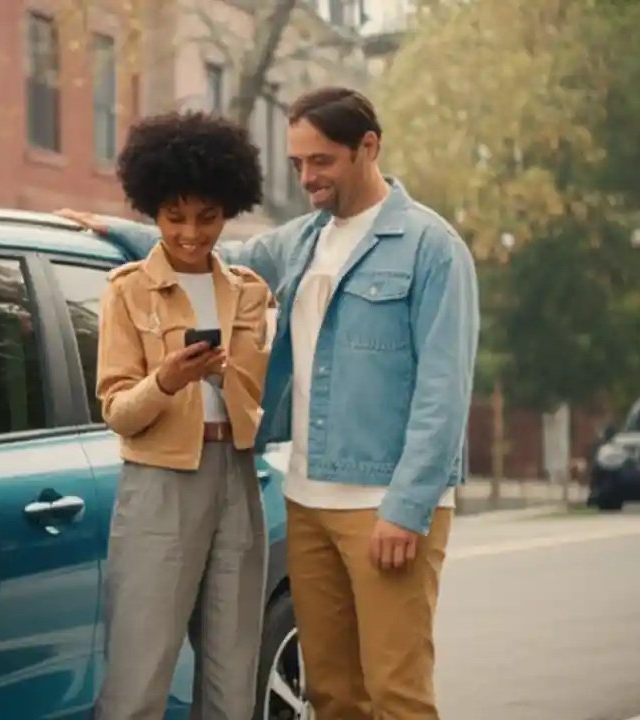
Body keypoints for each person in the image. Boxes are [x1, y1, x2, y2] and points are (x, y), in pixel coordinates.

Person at [59, 86, 480, 720]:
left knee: (397, 691)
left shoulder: (430, 247)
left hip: (382, 504)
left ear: (369, 148)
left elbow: (444, 392)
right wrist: (119, 226)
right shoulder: (305, 241)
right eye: (297, 164)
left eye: (322, 162)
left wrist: (409, 506)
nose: (307, 178)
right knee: (331, 691)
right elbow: (209, 254)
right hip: (307, 498)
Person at [91, 110, 273, 719]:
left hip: (238, 478)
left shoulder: (249, 291)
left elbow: (255, 404)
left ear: (228, 209)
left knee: (233, 672)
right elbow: (118, 410)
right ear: (153, 211)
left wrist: (224, 372)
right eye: (175, 218)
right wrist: (168, 379)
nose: (192, 233)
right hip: (160, 481)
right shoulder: (126, 290)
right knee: (141, 671)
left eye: (208, 218)